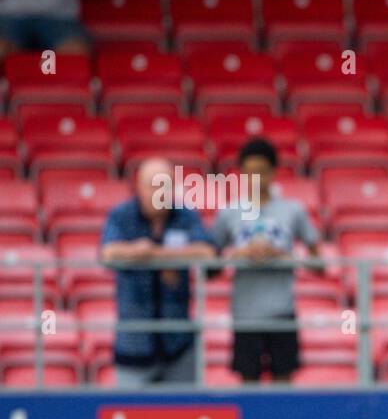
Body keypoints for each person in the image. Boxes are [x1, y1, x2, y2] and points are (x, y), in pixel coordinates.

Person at [209, 138, 320, 384]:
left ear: (273, 172)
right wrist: (236, 256)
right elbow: (210, 266)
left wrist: (283, 256)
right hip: (245, 315)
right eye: (248, 174)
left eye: (260, 172)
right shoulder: (229, 213)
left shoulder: (293, 211)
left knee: (283, 384)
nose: (255, 179)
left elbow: (319, 265)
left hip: (282, 312)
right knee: (248, 385)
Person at [101, 157, 216, 386]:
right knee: (130, 415)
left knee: (184, 414)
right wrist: (137, 250)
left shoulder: (185, 215)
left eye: (165, 185)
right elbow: (108, 254)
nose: (159, 192)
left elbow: (207, 253)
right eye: (153, 185)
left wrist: (153, 253)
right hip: (133, 346)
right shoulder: (121, 215)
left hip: (178, 346)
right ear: (139, 187)